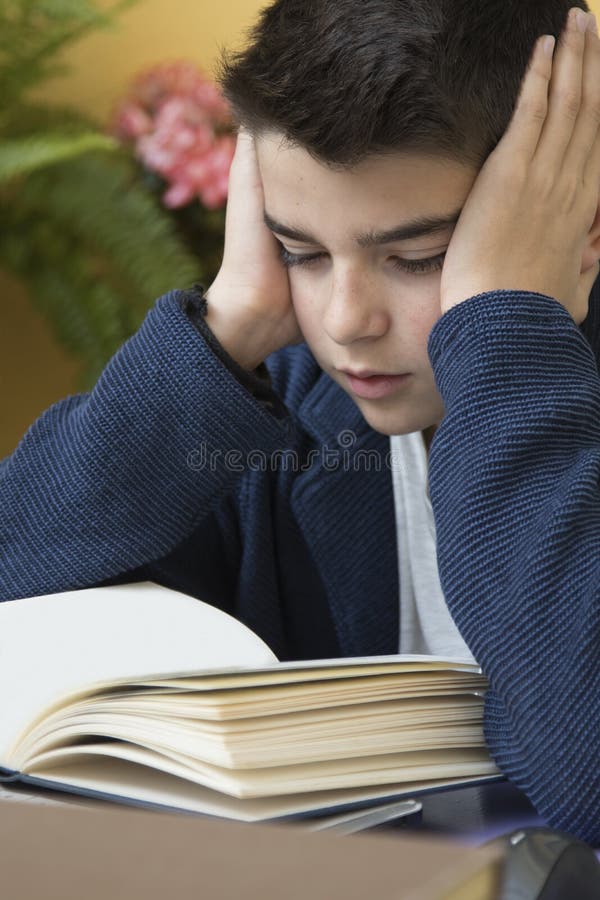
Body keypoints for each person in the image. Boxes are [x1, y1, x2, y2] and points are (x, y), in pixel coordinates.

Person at [2, 0, 600, 842]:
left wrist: (505, 332)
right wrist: (230, 323)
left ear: (578, 221)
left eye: (417, 258)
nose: (347, 319)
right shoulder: (274, 399)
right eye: (300, 251)